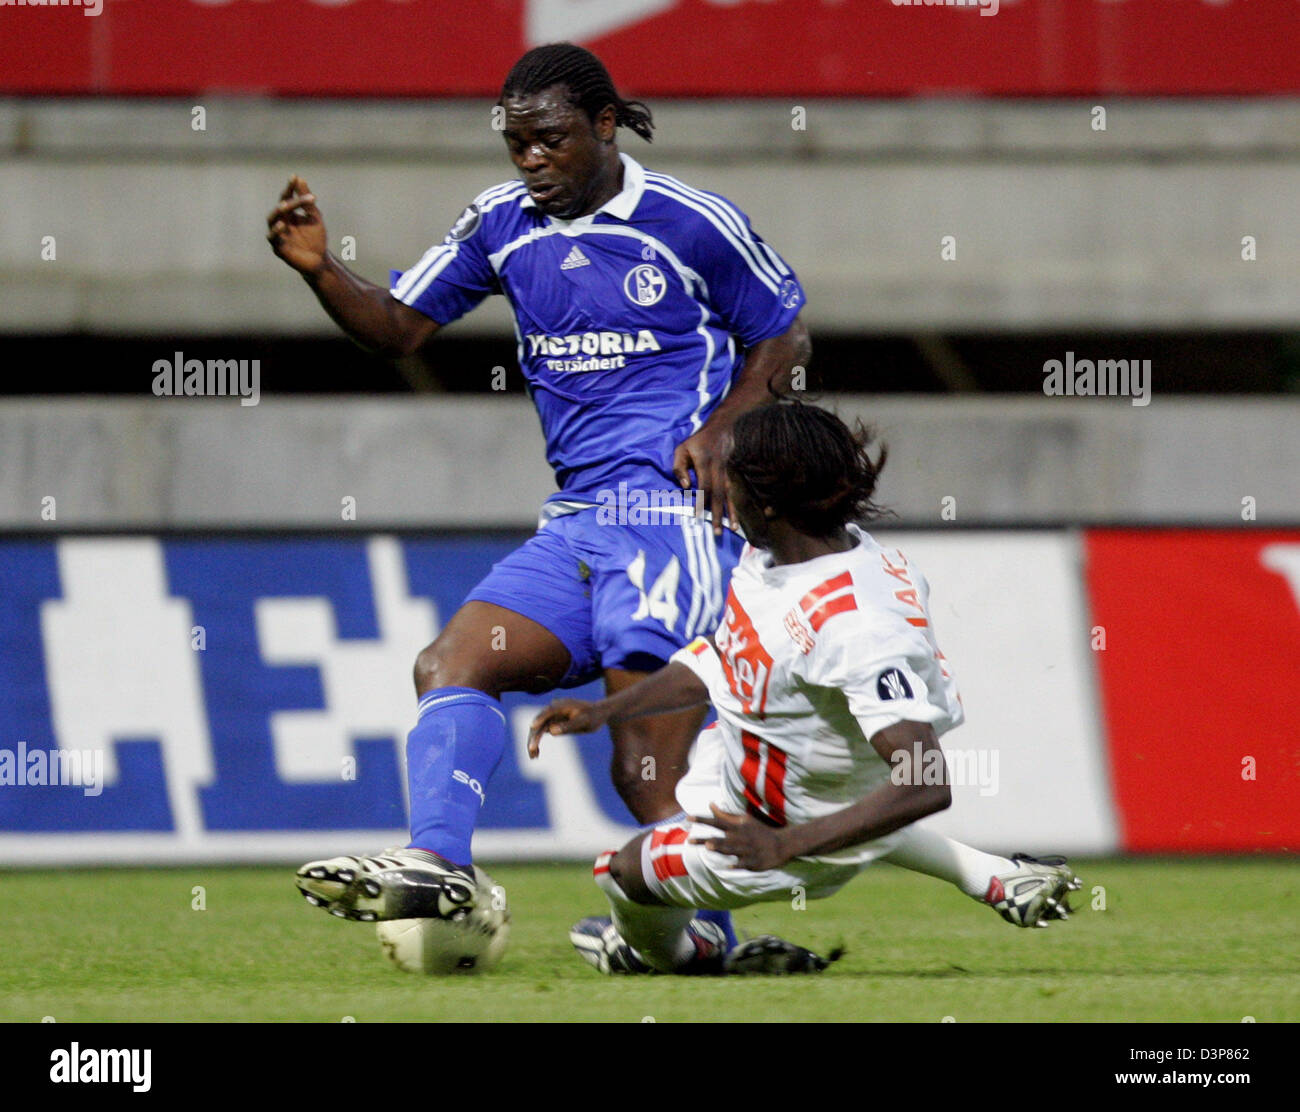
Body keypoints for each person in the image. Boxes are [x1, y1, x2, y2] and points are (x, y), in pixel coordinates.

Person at [267, 43, 812, 954]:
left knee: (644, 767)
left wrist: (728, 428)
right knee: (452, 664)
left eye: (549, 140)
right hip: (578, 522)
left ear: (603, 126)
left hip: (672, 517)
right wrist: (323, 271)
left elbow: (783, 333)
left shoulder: (690, 223)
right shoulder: (500, 223)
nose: (530, 161)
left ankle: (707, 933)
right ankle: (438, 866)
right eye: (515, 143)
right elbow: (401, 327)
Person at [528, 402, 1081, 975]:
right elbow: (721, 656)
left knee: (620, 872)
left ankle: (683, 956)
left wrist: (784, 847)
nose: (719, 483)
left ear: (767, 500)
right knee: (747, 741)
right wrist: (604, 711)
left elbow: (925, 781)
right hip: (762, 757)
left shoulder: (855, 625)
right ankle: (992, 875)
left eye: (731, 474)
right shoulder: (781, 549)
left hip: (788, 834)